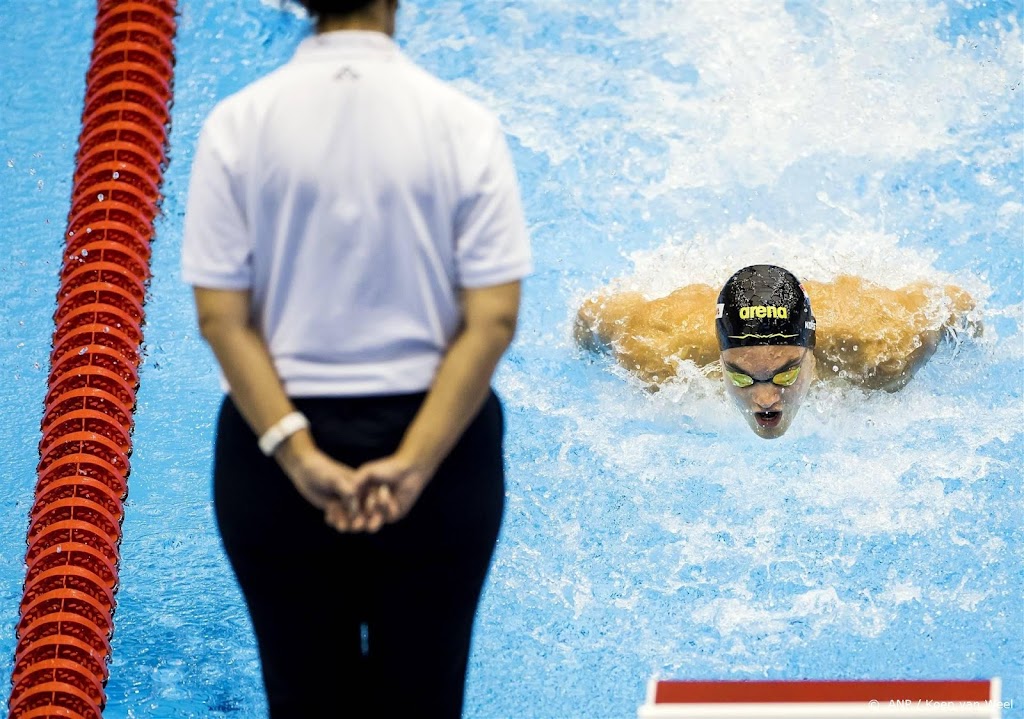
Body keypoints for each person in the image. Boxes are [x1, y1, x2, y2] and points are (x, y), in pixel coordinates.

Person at [180, 1, 532, 716]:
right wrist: (416, 463)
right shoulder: (462, 124)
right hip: (441, 453)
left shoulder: (237, 124)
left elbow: (222, 318)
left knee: (304, 698)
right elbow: (492, 319)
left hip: (273, 456)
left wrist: (298, 452)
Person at [575, 264, 977, 439]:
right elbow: (589, 316)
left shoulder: (884, 349)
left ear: (813, 352)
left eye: (785, 374)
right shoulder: (656, 351)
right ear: (718, 358)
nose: (765, 400)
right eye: (740, 376)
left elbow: (954, 302)